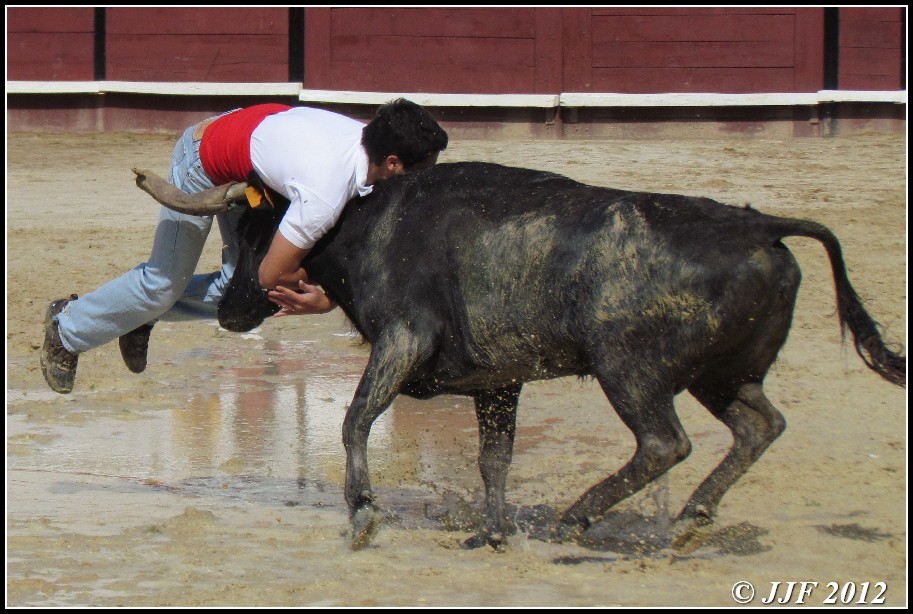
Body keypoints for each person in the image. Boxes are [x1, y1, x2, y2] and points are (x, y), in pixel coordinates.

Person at [41, 99, 449, 394]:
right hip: (204, 158)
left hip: (254, 160)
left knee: (232, 289)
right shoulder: (325, 192)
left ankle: (135, 315)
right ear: (392, 163)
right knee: (163, 285)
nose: (422, 184)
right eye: (422, 173)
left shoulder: (363, 143)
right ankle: (68, 327)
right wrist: (327, 301)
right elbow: (271, 276)